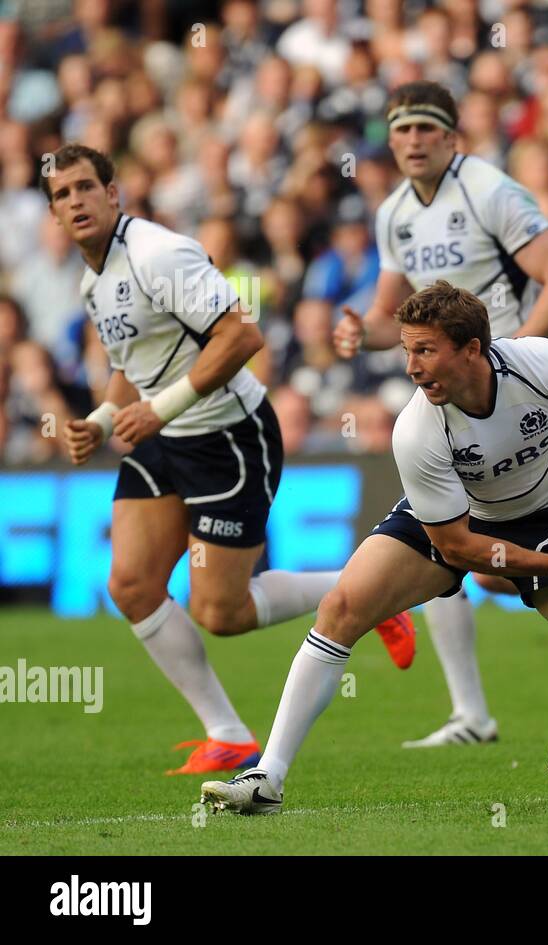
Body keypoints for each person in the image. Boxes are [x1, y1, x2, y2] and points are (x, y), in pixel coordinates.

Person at [201, 282, 548, 813]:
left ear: (471, 349)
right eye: (407, 351)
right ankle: (267, 778)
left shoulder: (547, 365)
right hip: (449, 522)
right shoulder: (416, 428)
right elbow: (457, 546)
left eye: (425, 350)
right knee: (341, 608)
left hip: (544, 517)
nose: (413, 368)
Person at [330, 80, 548, 749]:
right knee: (482, 560)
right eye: (400, 130)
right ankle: (484, 704)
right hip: (454, 394)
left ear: (452, 137)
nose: (411, 141)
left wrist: (509, 361)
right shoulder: (393, 215)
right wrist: (360, 330)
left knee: (500, 550)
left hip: (519, 388)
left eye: (425, 129)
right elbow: (393, 320)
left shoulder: (489, 191)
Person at [44, 143, 405, 775]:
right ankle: (228, 734)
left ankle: (371, 598)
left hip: (228, 438)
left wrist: (163, 408)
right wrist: (101, 422)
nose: (74, 201)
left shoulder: (159, 254)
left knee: (222, 613)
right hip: (165, 439)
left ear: (113, 193)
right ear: (53, 213)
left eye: (84, 188)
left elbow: (242, 334)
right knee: (131, 584)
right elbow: (133, 370)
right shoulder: (92, 280)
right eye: (61, 194)